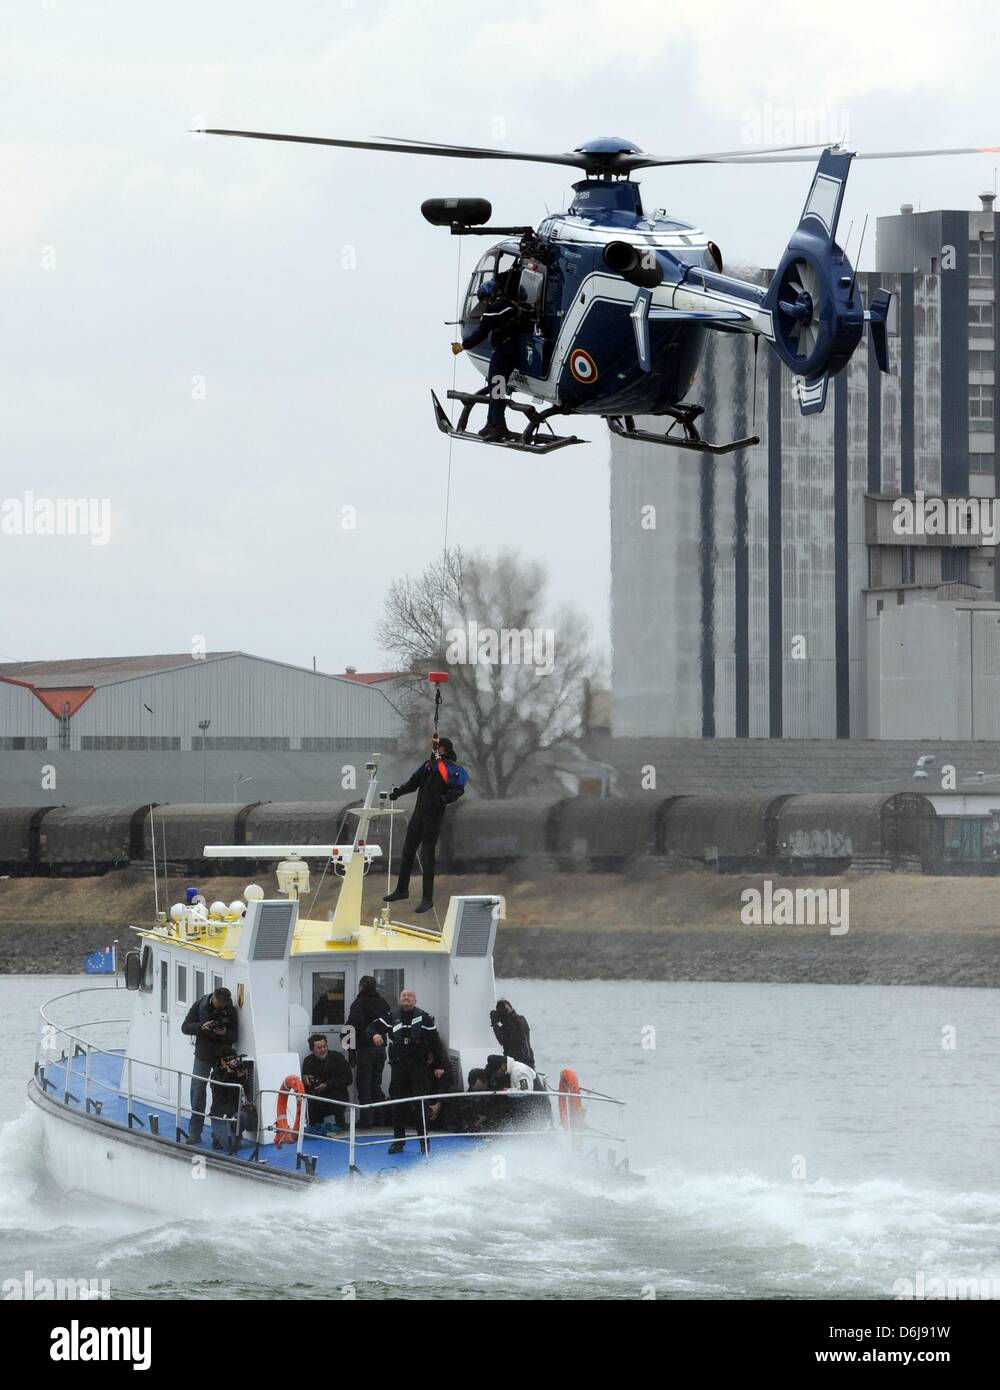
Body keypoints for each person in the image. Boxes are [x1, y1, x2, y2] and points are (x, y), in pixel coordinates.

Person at [383, 736, 468, 913]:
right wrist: (398, 793)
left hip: (433, 815)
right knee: (408, 851)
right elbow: (413, 783)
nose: (434, 749)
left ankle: (427, 899)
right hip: (419, 813)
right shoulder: (428, 766)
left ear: (444, 749)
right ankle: (402, 889)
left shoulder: (450, 769)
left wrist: (444, 799)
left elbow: (457, 790)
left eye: (438, 747)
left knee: (427, 856)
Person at [369, 989, 446, 1154]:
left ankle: (424, 1142)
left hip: (418, 1069)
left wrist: (440, 1065)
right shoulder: (391, 1016)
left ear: (415, 1000)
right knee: (398, 1106)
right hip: (398, 1069)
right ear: (399, 999)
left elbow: (435, 1043)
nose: (406, 998)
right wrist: (375, 1035)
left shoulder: (424, 1018)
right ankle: (399, 1142)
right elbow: (372, 1026)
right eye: (403, 995)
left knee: (420, 1106)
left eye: (409, 996)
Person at [452, 278, 520, 440]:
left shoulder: (496, 308)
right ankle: (492, 422)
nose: (485, 303)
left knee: (496, 385)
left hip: (503, 351)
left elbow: (482, 332)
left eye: (484, 299)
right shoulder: (509, 304)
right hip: (508, 349)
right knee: (495, 384)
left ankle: (498, 424)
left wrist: (464, 345)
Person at [181, 986, 239, 1144]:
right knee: (198, 1091)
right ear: (213, 998)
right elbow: (185, 1027)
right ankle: (195, 1132)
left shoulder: (230, 1010)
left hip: (222, 1056)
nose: (219, 1009)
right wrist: (201, 1027)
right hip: (203, 1054)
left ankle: (218, 1135)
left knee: (220, 1093)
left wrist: (224, 1034)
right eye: (217, 1005)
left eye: (222, 1007)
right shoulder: (200, 1005)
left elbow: (234, 1035)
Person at [346, 976, 391, 1124]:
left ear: (361, 987)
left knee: (363, 1086)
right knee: (376, 1084)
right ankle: (381, 1118)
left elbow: (350, 1028)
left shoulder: (358, 1004)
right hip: (381, 1049)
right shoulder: (383, 1003)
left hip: (365, 1050)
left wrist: (351, 1053)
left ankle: (366, 1120)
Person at [301, 1034, 353, 1132]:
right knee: (310, 1102)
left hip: (336, 1095)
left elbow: (349, 1078)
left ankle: (340, 1123)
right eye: (319, 1048)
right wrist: (305, 1079)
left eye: (325, 1046)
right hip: (318, 1097)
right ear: (312, 1049)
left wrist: (328, 1084)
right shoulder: (308, 1061)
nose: (323, 1050)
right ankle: (315, 1127)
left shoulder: (337, 1057)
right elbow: (305, 1081)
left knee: (339, 1097)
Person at [208, 1050, 254, 1152]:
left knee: (244, 1116)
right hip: (220, 1115)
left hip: (234, 1114)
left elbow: (246, 1091)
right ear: (222, 1061)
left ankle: (234, 1134)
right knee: (231, 1147)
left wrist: (242, 1078)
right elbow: (220, 1089)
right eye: (228, 1059)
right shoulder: (215, 1074)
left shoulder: (236, 1072)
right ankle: (217, 1136)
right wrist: (229, 1073)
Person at [490, 998, 535, 1068]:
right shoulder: (503, 1025)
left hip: (527, 1061)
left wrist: (510, 1015)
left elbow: (519, 1034)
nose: (506, 1012)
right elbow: (502, 1040)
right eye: (503, 1010)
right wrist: (495, 1023)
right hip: (512, 1062)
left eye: (507, 1009)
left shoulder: (521, 1019)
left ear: (512, 1008)